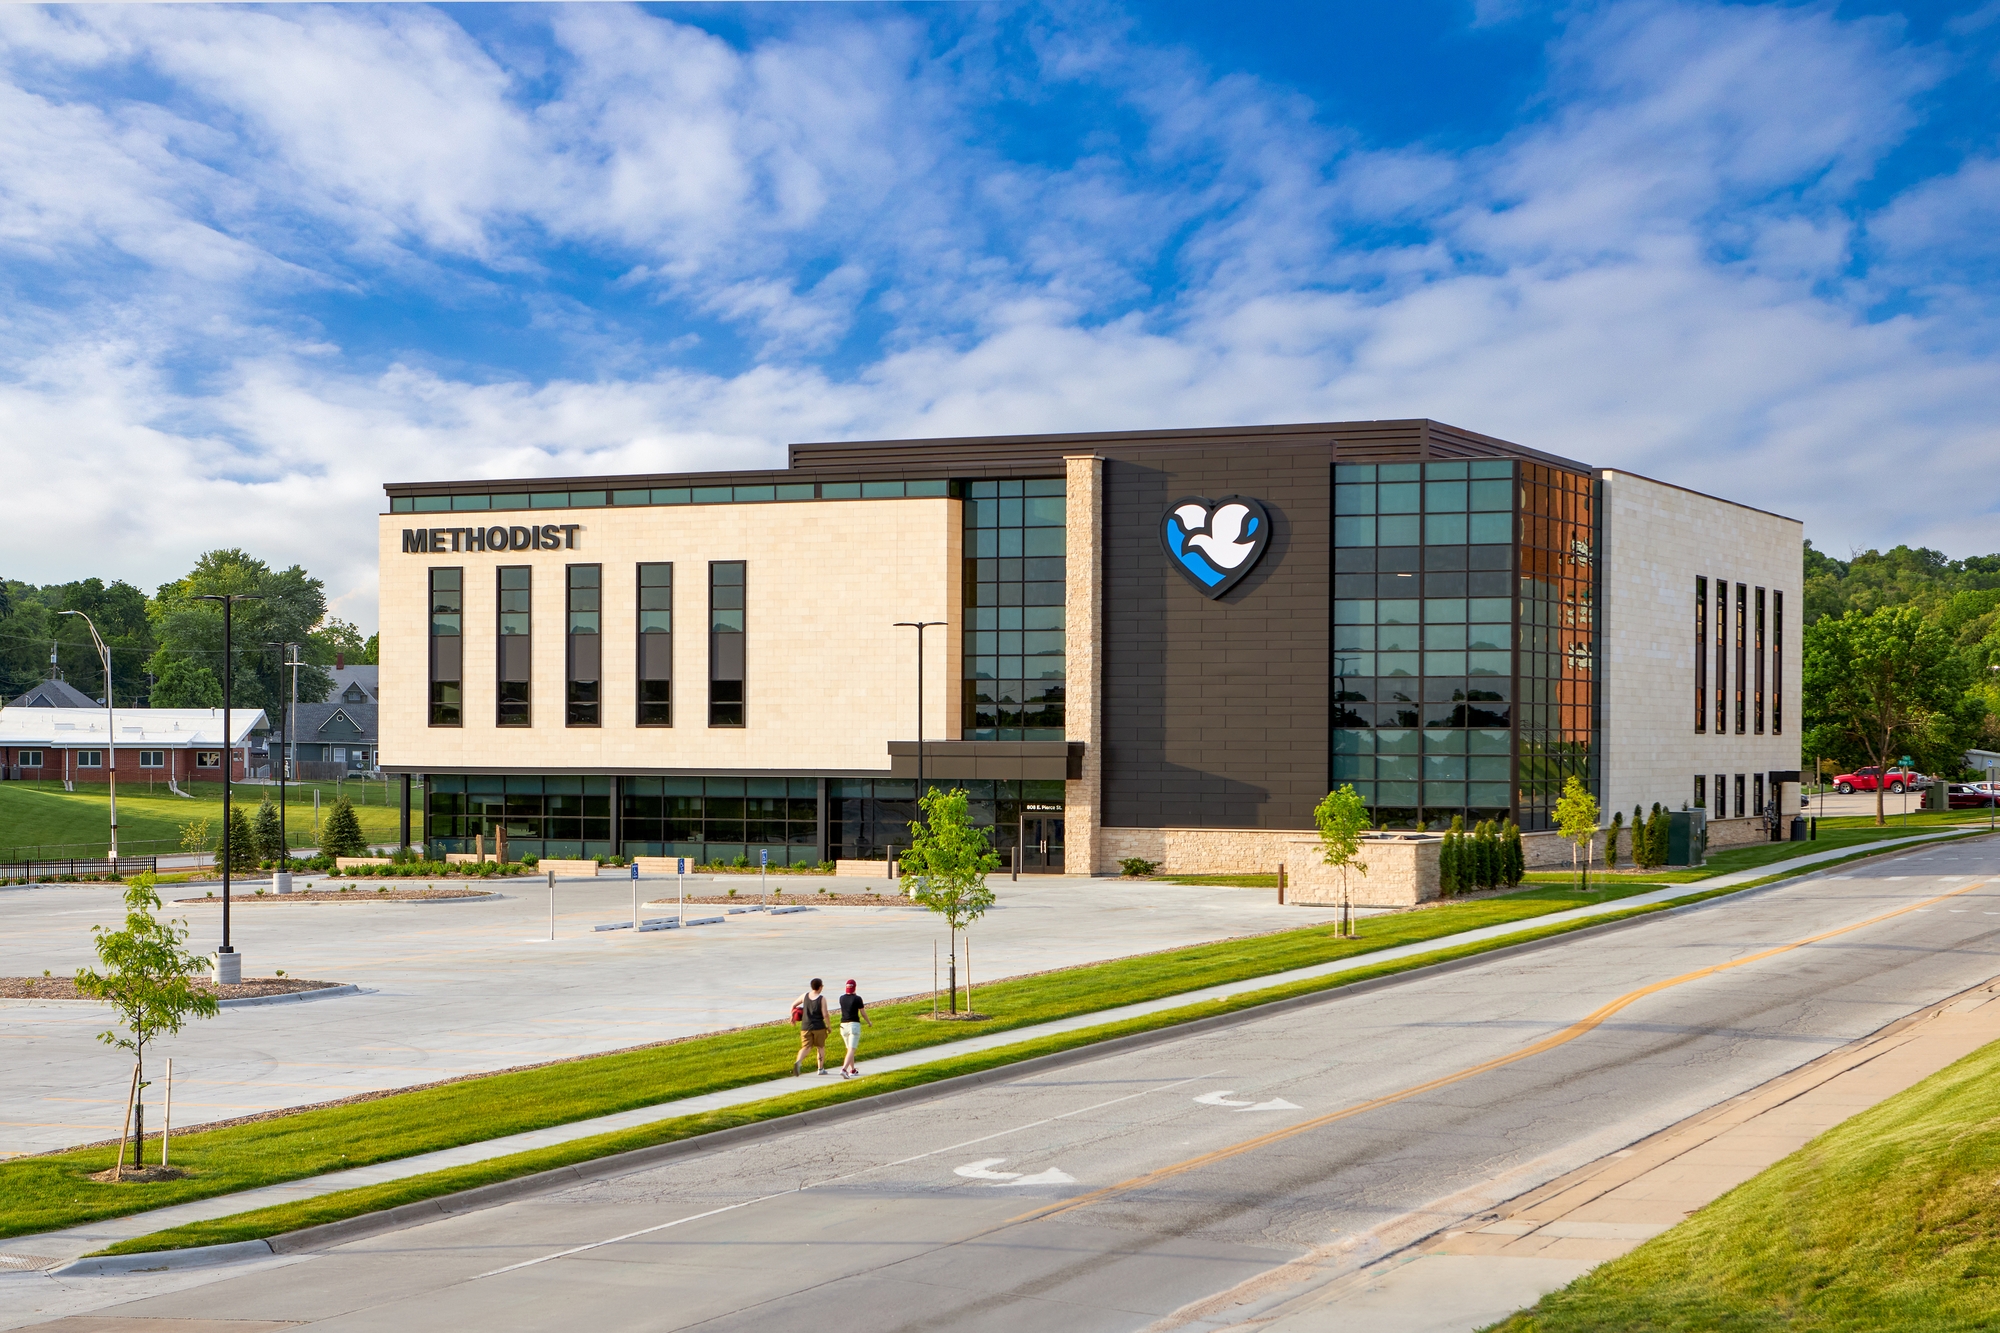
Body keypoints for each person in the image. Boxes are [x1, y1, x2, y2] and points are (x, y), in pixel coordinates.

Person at [793, 978, 830, 1076]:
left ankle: (798, 1061)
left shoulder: (804, 996)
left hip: (805, 1026)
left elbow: (793, 1005)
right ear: (820, 987)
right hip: (819, 1027)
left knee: (806, 1047)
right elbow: (825, 1014)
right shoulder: (822, 999)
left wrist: (792, 1017)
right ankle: (820, 1069)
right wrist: (829, 1026)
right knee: (820, 1047)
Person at [837, 978, 872, 1079]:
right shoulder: (857, 999)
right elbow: (862, 1012)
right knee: (852, 1049)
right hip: (854, 1025)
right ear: (855, 988)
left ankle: (852, 1070)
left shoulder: (841, 998)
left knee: (849, 1049)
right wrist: (869, 1022)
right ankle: (844, 1069)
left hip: (843, 1026)